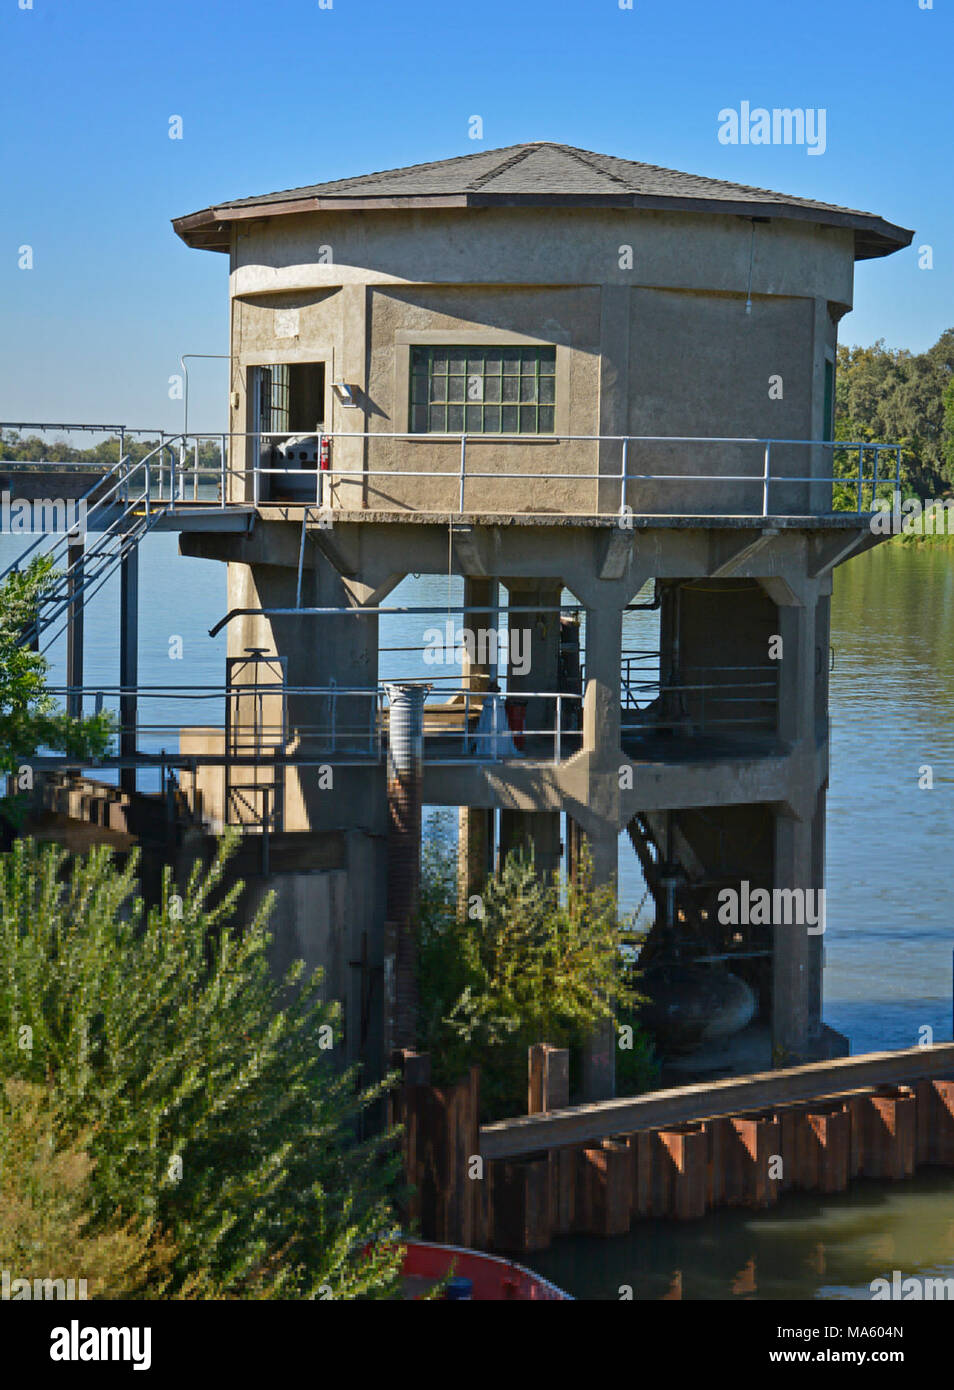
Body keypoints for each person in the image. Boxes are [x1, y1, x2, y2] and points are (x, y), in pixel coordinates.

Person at [471, 681, 521, 759]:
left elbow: (481, 724)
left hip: (492, 725)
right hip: (497, 723)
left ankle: (492, 750)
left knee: (489, 731)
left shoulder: (489, 704)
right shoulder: (499, 705)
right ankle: (500, 750)